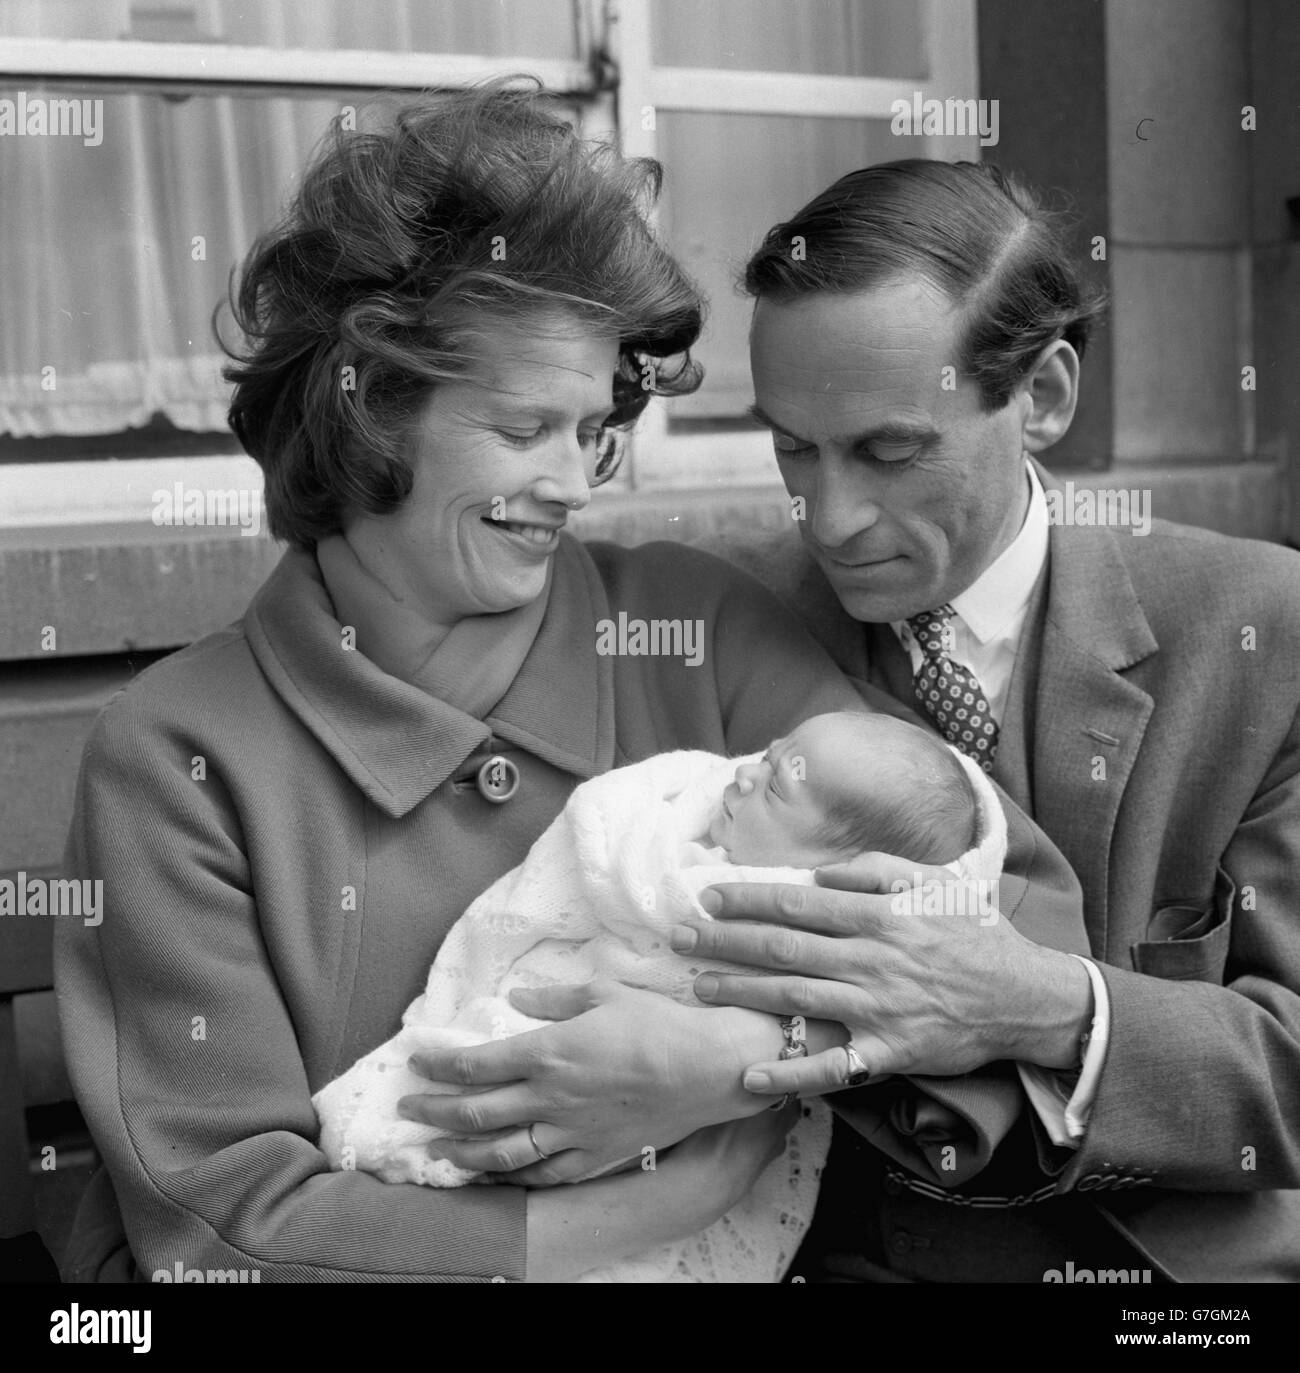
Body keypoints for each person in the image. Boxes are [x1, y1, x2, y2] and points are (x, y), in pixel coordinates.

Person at [54, 89, 1077, 1284]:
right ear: (366, 407)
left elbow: (1004, 905)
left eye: (594, 428)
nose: (572, 483)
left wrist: (737, 1051)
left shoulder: (689, 625)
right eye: (524, 425)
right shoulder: (178, 754)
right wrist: (655, 1204)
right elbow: (224, 1221)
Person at [663, 159, 1300, 1282]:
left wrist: (1044, 1004)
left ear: (1044, 395)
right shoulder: (723, 624)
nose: (830, 515)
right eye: (790, 446)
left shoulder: (1264, 630)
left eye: (888, 449)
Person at [312, 711, 1003, 1283]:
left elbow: (962, 979)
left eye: (778, 788)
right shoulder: (665, 833)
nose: (745, 770)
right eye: (771, 751)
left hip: (720, 1144)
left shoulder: (822, 921)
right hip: (562, 1049)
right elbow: (573, 884)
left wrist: (756, 1051)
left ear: (839, 869)